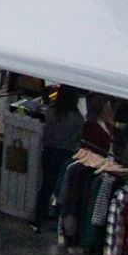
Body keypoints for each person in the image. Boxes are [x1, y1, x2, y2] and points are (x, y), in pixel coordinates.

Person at [33, 88, 84, 232]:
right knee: (62, 187)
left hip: (49, 152)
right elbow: (77, 138)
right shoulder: (77, 118)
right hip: (66, 154)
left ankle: (39, 217)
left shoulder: (51, 112)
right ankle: (56, 218)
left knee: (46, 185)